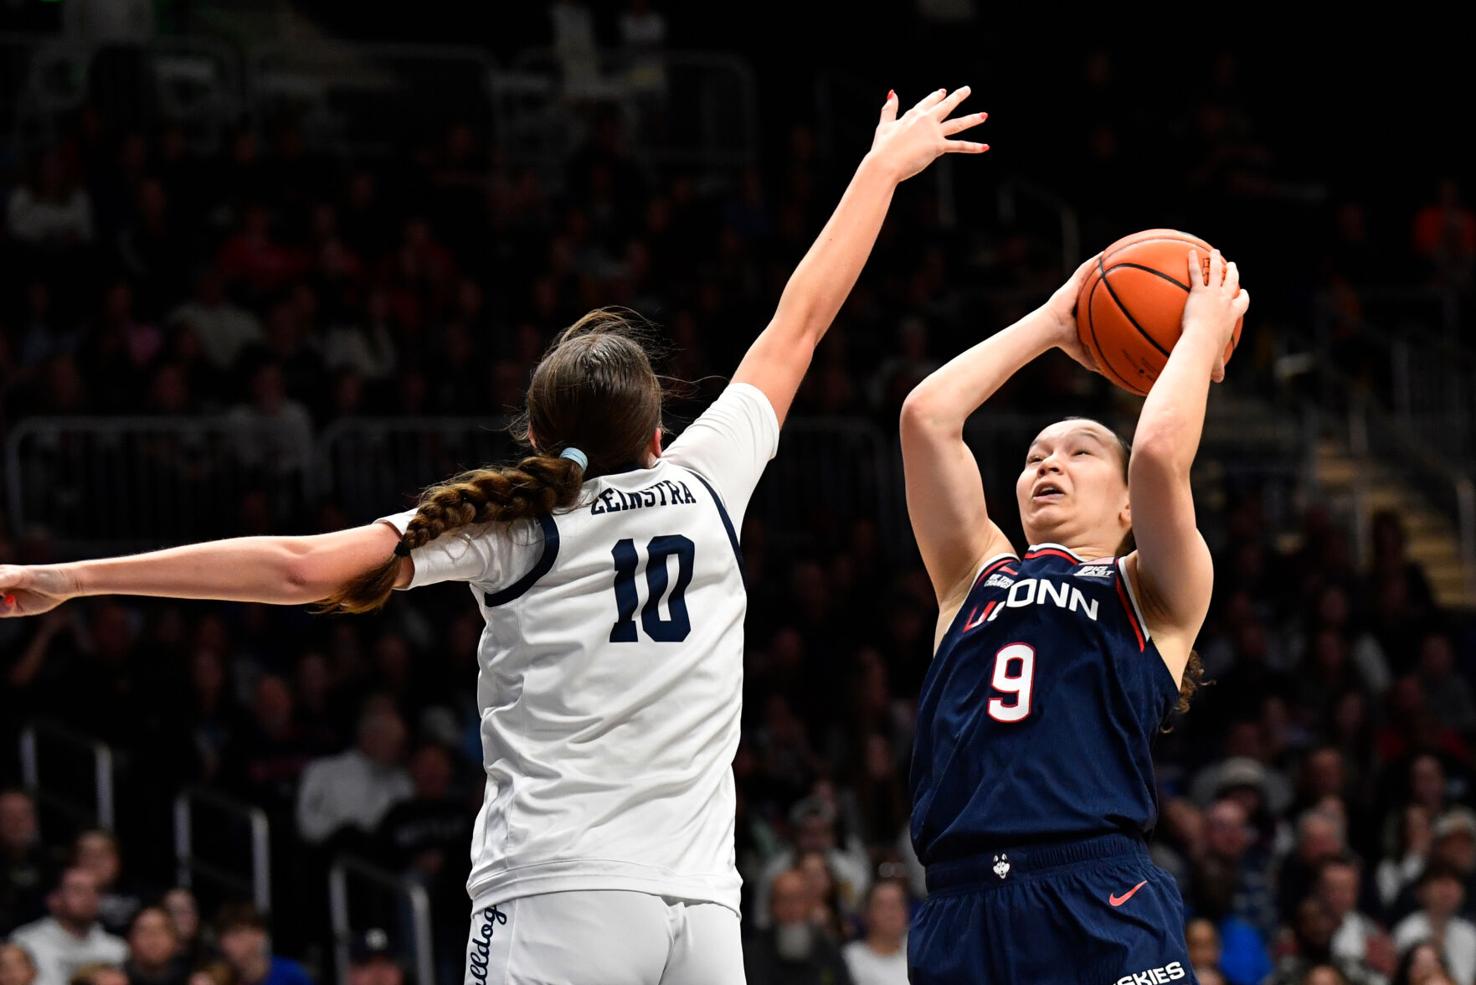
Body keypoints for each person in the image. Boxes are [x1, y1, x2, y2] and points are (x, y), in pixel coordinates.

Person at [0, 87, 989, 985]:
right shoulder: (706, 477)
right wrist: (879, 168)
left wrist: (72, 576)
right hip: (701, 905)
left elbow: (299, 566)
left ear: (537, 434)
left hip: (559, 892)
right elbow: (801, 319)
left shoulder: (514, 524)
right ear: (656, 434)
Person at [899, 245, 1249, 983]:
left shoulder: (1151, 587)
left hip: (1097, 893)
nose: (1049, 463)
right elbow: (928, 416)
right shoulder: (973, 575)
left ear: (1127, 505)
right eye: (1035, 454)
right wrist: (1057, 317)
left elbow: (1156, 449)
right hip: (961, 906)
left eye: (1081, 451)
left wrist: (1197, 333)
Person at [8, 869, 127, 985]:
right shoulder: (25, 943)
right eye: (78, 890)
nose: (89, 897)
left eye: (95, 890)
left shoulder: (117, 949)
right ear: (54, 899)